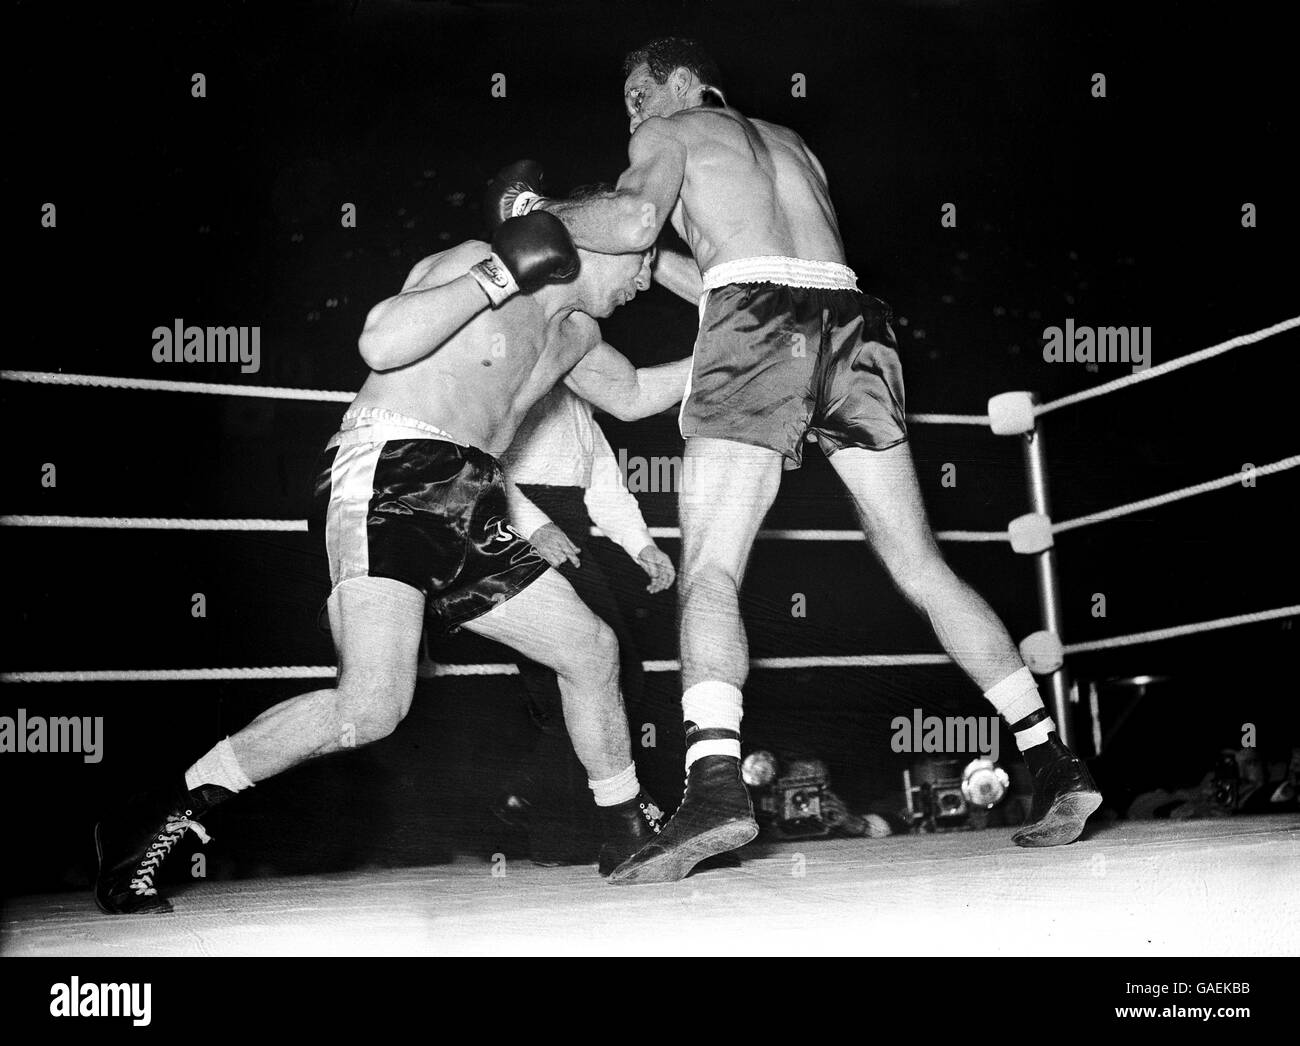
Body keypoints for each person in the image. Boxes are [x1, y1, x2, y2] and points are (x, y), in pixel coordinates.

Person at [486, 36, 1101, 884]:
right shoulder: (789, 143)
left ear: (682, 82)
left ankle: (713, 786)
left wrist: (541, 214)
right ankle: (1053, 762)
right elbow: (708, 266)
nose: (631, 111)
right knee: (920, 564)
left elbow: (636, 226)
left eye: (639, 92)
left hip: (758, 321)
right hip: (854, 323)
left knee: (710, 569)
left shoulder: (663, 137)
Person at [94, 210, 689, 913]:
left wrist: (742, 353)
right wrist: (499, 272)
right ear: (589, 243)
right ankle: (156, 816)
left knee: (592, 648)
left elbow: (635, 394)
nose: (646, 278)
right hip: (392, 471)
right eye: (641, 258)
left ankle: (625, 830)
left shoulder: (578, 334)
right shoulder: (481, 260)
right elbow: (379, 341)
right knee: (372, 706)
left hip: (471, 495)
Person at [491, 383, 675, 864]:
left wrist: (643, 547)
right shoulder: (512, 373)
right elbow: (479, 460)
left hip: (565, 529)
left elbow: (606, 489)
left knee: (609, 674)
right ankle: (551, 821)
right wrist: (531, 526)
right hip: (507, 525)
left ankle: (544, 810)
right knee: (574, 678)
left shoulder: (581, 398)